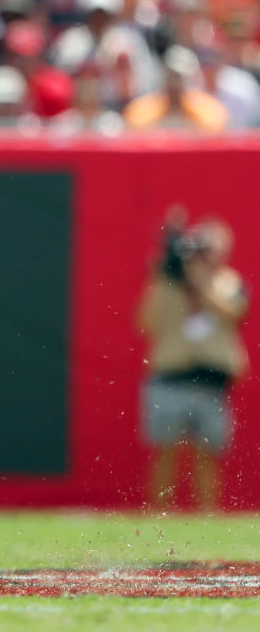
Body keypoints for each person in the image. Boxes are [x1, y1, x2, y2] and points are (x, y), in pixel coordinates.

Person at [137, 209, 249, 511]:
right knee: (166, 451)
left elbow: (234, 311)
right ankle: (159, 515)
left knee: (208, 453)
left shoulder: (231, 282)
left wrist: (197, 281)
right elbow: (146, 323)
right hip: (171, 378)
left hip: (211, 383)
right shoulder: (169, 283)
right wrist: (163, 274)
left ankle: (208, 515)